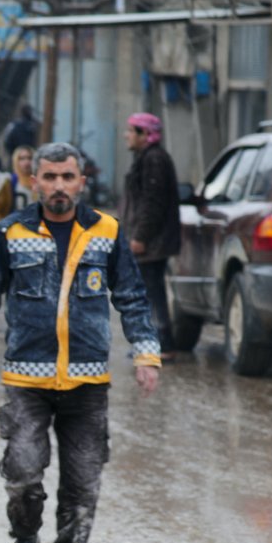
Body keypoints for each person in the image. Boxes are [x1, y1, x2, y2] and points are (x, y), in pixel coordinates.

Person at [0, 142, 162, 543]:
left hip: (88, 384)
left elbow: (131, 296)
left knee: (84, 480)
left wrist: (146, 354)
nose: (59, 186)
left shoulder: (106, 231)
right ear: (35, 181)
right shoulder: (11, 231)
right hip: (27, 380)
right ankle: (24, 538)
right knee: (23, 471)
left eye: (68, 177)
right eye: (50, 177)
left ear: (82, 181)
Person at [121, 112, 181, 360]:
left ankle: (161, 344)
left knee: (151, 291)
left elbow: (152, 203)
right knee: (147, 290)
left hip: (152, 242)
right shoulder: (146, 158)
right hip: (150, 240)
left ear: (145, 135)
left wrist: (140, 237)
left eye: (131, 131)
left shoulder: (154, 160)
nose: (126, 135)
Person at [9, 144, 35, 211]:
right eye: (22, 159)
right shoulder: (12, 181)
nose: (26, 162)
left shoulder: (40, 179)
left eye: (30, 158)